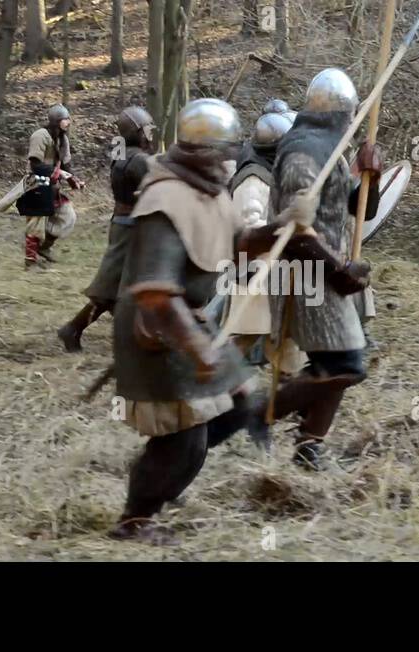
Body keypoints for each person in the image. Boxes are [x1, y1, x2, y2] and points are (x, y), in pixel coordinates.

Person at [108, 98, 288, 543]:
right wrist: (198, 348)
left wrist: (283, 227)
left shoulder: (207, 191)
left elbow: (239, 244)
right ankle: (136, 518)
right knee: (184, 437)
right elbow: (154, 289)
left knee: (238, 407)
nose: (232, 160)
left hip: (189, 320)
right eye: (226, 152)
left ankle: (162, 477)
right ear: (206, 152)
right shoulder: (165, 197)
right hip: (157, 327)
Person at [256, 67, 384, 471]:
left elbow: (358, 210)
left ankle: (309, 447)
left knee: (337, 363)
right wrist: (340, 271)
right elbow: (295, 230)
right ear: (341, 112)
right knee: (347, 365)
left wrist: (371, 177)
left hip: (326, 273)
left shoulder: (334, 148)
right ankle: (253, 415)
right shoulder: (302, 151)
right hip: (305, 275)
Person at [57, 106, 156, 352]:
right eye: (148, 129)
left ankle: (77, 329)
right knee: (115, 290)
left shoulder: (121, 153)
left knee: (114, 290)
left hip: (123, 224)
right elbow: (156, 190)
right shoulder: (140, 161)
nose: (151, 133)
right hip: (132, 229)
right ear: (139, 132)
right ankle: (74, 329)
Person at [222, 109, 306, 374]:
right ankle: (210, 376)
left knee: (285, 331)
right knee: (247, 334)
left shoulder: (271, 171)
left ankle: (289, 383)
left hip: (276, 268)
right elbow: (251, 228)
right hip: (256, 269)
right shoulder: (253, 178)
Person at [18, 104, 85, 268]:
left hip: (53, 186)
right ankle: (30, 262)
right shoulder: (40, 136)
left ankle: (44, 248)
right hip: (36, 184)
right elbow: (35, 165)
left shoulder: (63, 139)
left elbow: (66, 165)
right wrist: (59, 173)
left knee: (67, 215)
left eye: (68, 119)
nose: (68, 122)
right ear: (56, 120)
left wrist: (74, 180)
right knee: (36, 224)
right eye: (65, 119)